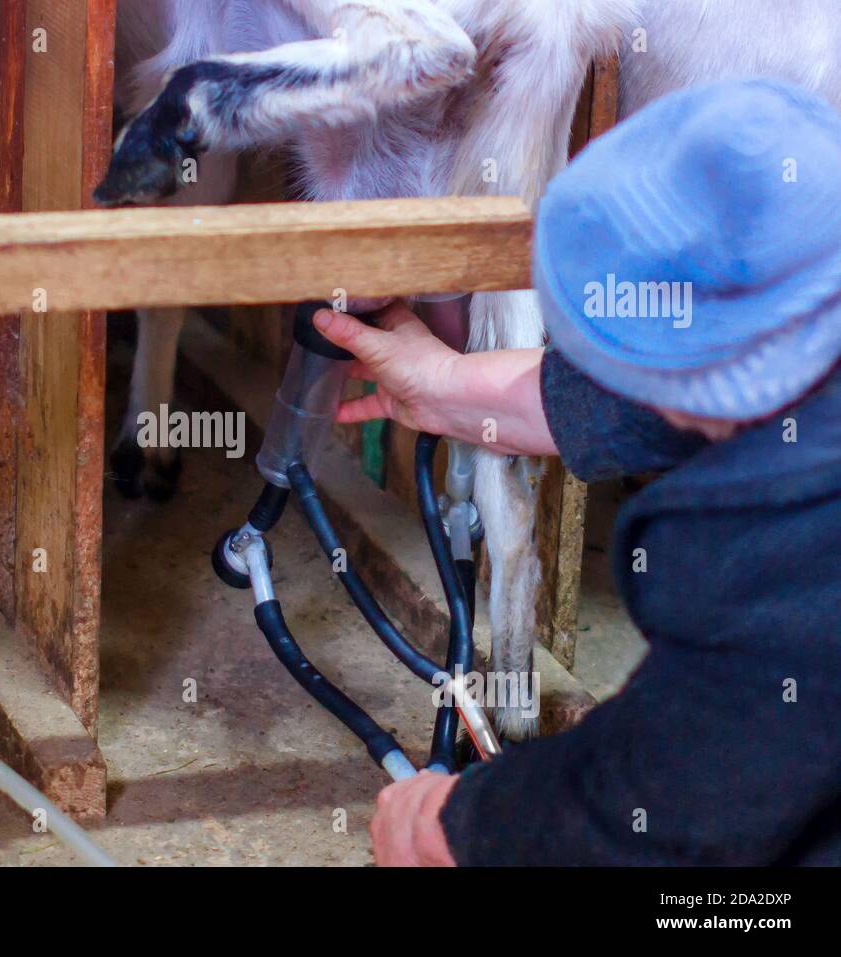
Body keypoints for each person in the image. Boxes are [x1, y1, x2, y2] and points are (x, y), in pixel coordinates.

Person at [313, 78, 841, 865]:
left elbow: (659, 803)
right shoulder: (807, 334)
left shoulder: (774, 565)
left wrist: (451, 830)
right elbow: (679, 390)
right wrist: (451, 388)